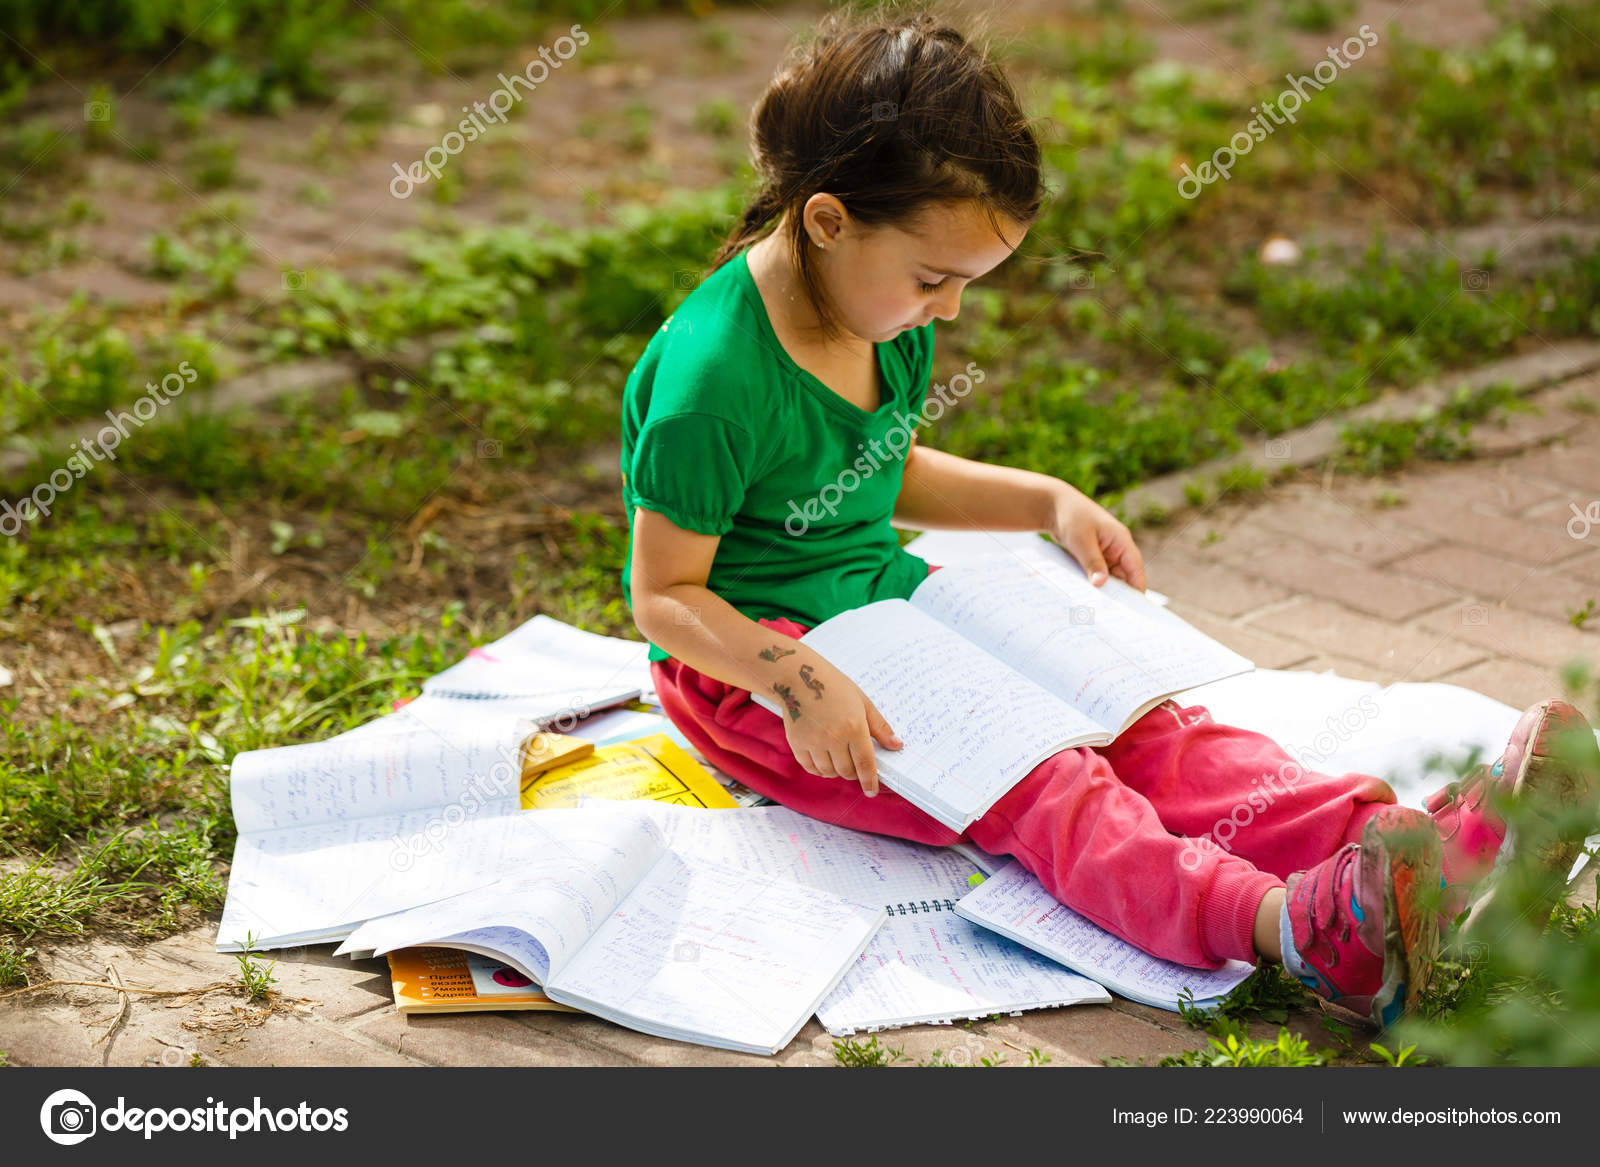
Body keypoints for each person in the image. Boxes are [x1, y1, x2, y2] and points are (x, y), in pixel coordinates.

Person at [618, 9, 1599, 1026]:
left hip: (886, 614)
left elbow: (874, 472)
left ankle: (1415, 855)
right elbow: (665, 598)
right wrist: (799, 679)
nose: (949, 310)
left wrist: (1042, 499)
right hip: (763, 677)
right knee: (1046, 782)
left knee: (1145, 731)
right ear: (827, 221)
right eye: (934, 278)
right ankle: (1301, 933)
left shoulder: (875, 308)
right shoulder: (711, 383)